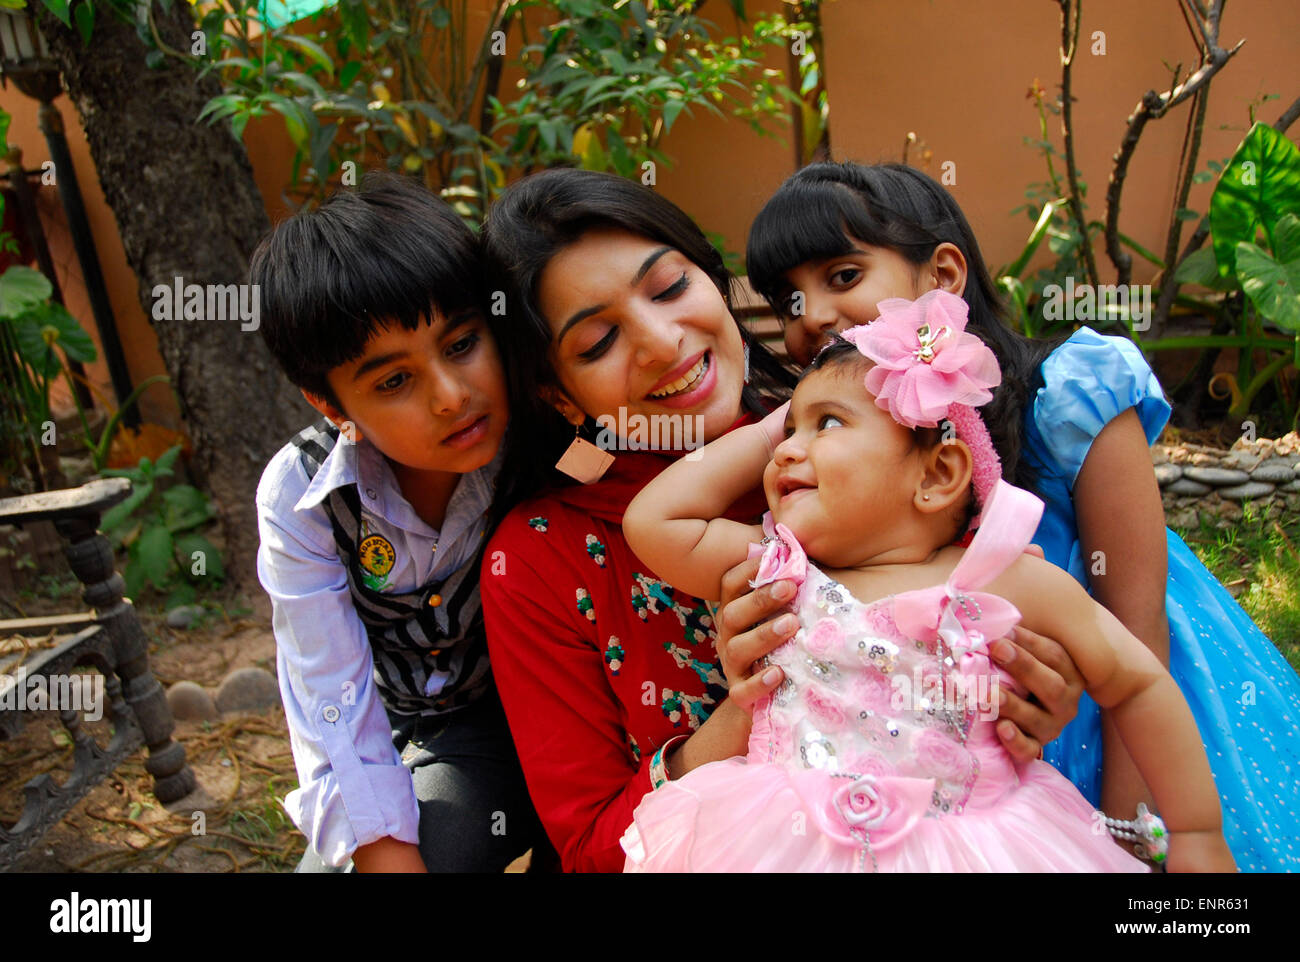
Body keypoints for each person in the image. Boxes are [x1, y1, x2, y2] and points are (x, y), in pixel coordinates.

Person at [478, 167, 1086, 872]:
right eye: (596, 343)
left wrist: (1020, 702)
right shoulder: (537, 561)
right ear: (558, 395)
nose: (661, 340)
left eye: (672, 287)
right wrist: (759, 706)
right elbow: (591, 851)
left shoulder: (874, 456)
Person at [743, 160, 1300, 872]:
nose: (812, 313)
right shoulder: (842, 453)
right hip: (953, 749)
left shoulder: (1067, 391)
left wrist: (1133, 830)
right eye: (788, 298)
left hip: (1123, 705)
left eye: (842, 276)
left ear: (944, 275)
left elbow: (1135, 618)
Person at [619, 291, 1234, 872]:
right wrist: (770, 428)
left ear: (939, 474)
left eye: (828, 425)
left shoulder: (1007, 579)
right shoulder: (782, 568)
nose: (785, 452)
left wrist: (1196, 832)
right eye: (787, 435)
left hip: (981, 847)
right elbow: (653, 522)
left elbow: (1136, 683)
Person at [251, 172, 547, 872]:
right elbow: (330, 700)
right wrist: (384, 853)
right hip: (417, 732)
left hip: (557, 711)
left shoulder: (550, 431)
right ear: (329, 404)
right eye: (392, 381)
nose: (451, 397)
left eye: (462, 343)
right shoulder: (306, 497)